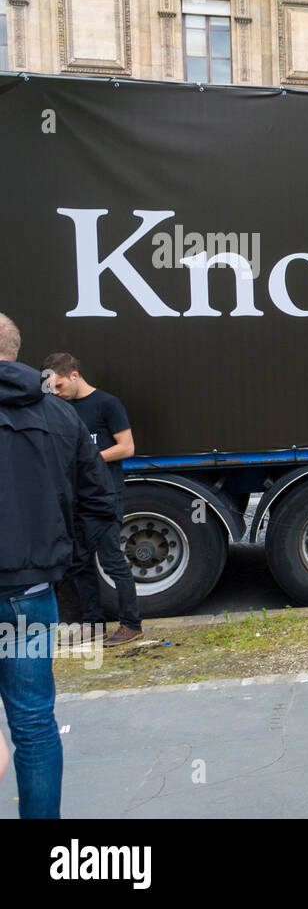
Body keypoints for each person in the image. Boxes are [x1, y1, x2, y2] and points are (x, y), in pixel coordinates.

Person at [1, 313, 118, 817]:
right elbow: (97, 498)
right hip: (31, 592)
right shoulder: (60, 415)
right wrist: (66, 555)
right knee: (32, 722)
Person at [42, 353, 141, 647]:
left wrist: (86, 460)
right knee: (78, 563)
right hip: (74, 497)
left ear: (74, 375)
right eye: (51, 389)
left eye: (59, 385)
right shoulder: (59, 408)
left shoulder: (107, 404)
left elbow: (126, 448)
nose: (56, 393)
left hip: (105, 495)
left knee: (112, 561)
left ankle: (131, 624)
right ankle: (92, 624)